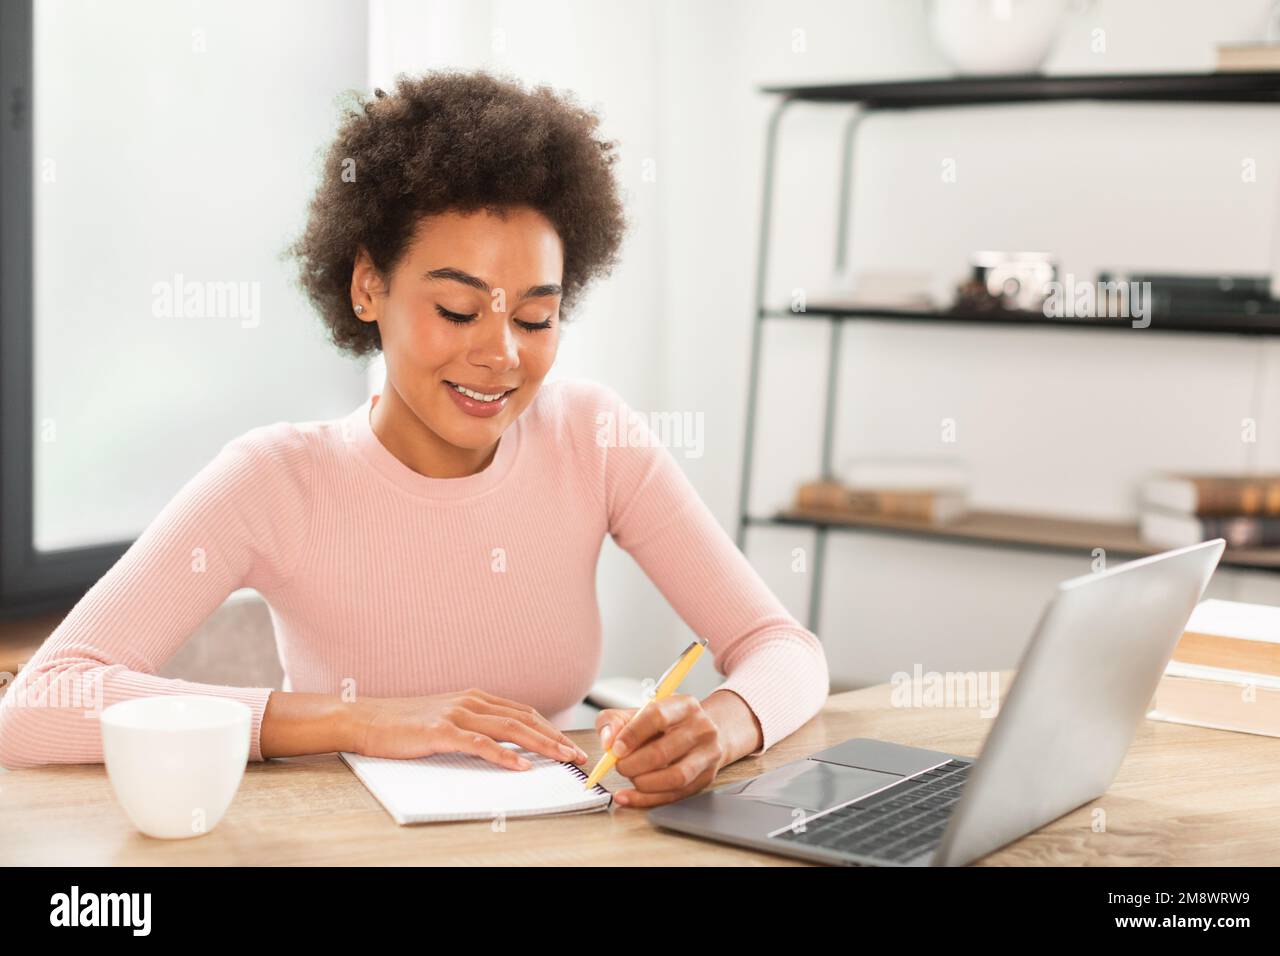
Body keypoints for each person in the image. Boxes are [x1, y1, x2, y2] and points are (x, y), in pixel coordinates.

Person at [0, 70, 828, 808]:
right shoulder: (276, 479)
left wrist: (723, 726)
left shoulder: (593, 436)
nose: (501, 354)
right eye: (458, 311)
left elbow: (781, 648)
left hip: (563, 831)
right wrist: (360, 720)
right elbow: (39, 707)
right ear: (369, 287)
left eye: (536, 316)